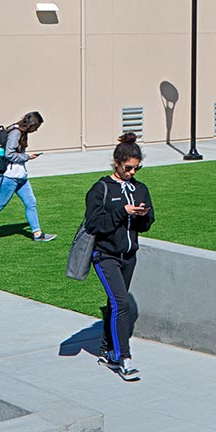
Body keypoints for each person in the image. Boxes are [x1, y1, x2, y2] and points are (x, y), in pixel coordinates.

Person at [84, 133, 154, 381]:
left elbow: (147, 225)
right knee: (122, 304)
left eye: (137, 168)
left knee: (115, 304)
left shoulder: (140, 189)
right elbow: (93, 224)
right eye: (128, 168)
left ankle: (106, 349)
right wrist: (120, 211)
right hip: (105, 255)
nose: (132, 172)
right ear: (117, 163)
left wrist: (141, 215)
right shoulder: (100, 189)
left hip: (128, 255)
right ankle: (123, 358)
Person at [0, 112, 54, 243]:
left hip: (20, 176)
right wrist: (28, 157)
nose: (37, 130)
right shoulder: (16, 132)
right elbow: (9, 154)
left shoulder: (18, 131)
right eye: (37, 127)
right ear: (32, 125)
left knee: (31, 203)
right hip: (10, 177)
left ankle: (37, 234)